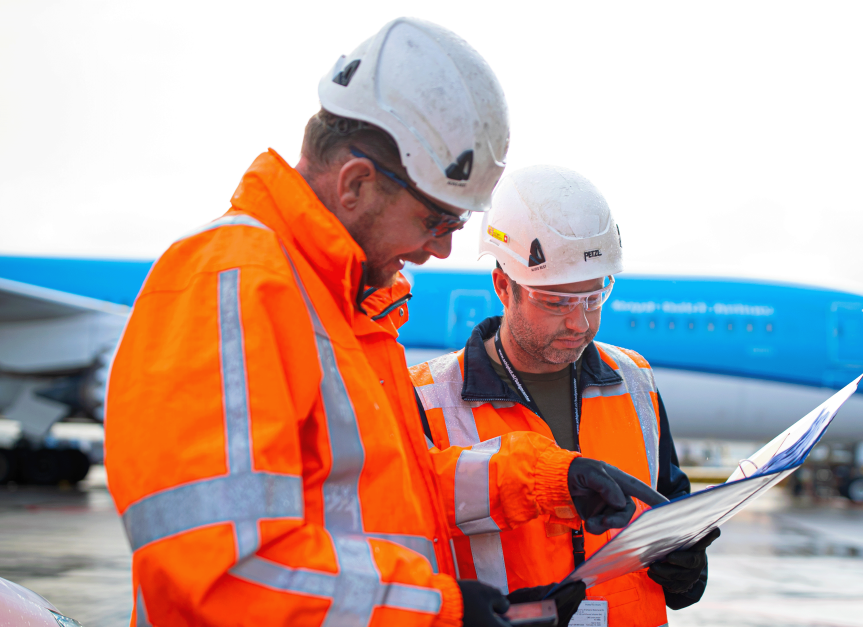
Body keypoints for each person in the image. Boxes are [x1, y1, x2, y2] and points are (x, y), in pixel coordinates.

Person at [105, 19, 654, 626]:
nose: (442, 251)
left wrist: (552, 480)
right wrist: (439, 614)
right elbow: (228, 574)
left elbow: (400, 489)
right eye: (436, 221)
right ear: (356, 185)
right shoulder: (232, 289)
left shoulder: (344, 309)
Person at [410, 166, 721, 627]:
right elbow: (401, 560)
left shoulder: (635, 381)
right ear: (503, 287)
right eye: (556, 302)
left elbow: (670, 507)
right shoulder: (429, 399)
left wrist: (685, 575)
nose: (580, 323)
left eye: (594, 298)